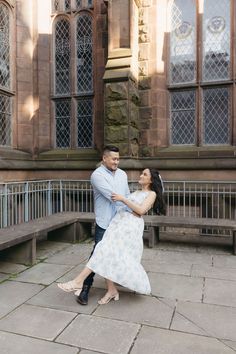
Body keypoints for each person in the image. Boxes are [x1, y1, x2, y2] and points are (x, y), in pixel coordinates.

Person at [58, 168, 166, 304]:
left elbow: (141, 211)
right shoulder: (137, 191)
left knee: (106, 251)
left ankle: (79, 281)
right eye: (142, 173)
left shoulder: (151, 194)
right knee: (105, 251)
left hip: (130, 226)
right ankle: (110, 289)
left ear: (151, 180)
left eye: (145, 174)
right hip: (118, 222)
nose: (141, 175)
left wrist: (123, 199)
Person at [75, 145, 130, 305]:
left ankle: (112, 287)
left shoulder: (122, 174)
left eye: (118, 159)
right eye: (114, 159)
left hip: (119, 222)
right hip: (105, 223)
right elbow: (113, 196)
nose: (116, 162)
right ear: (104, 158)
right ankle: (85, 288)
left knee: (114, 254)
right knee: (97, 255)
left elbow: (125, 196)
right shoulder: (97, 175)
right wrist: (129, 201)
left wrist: (130, 213)